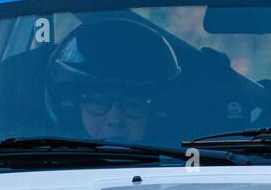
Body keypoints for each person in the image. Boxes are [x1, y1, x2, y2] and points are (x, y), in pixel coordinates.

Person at [45, 18, 181, 143]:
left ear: (155, 114)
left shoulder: (181, 163)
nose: (115, 120)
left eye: (132, 104)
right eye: (98, 102)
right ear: (73, 109)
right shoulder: (45, 164)